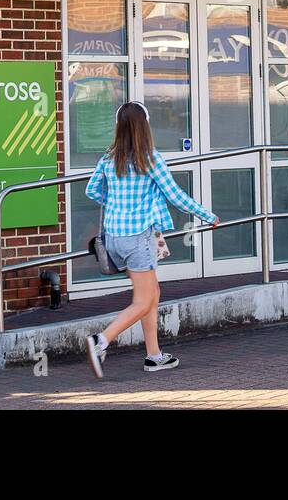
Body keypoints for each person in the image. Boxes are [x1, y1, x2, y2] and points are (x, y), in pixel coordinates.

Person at [84, 101, 216, 378]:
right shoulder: (150, 158)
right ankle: (101, 341)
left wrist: (117, 204)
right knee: (143, 301)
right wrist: (207, 216)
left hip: (114, 237)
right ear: (145, 126)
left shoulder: (110, 157)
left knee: (152, 294)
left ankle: (154, 356)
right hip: (138, 238)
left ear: (118, 126)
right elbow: (176, 196)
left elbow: (92, 190)